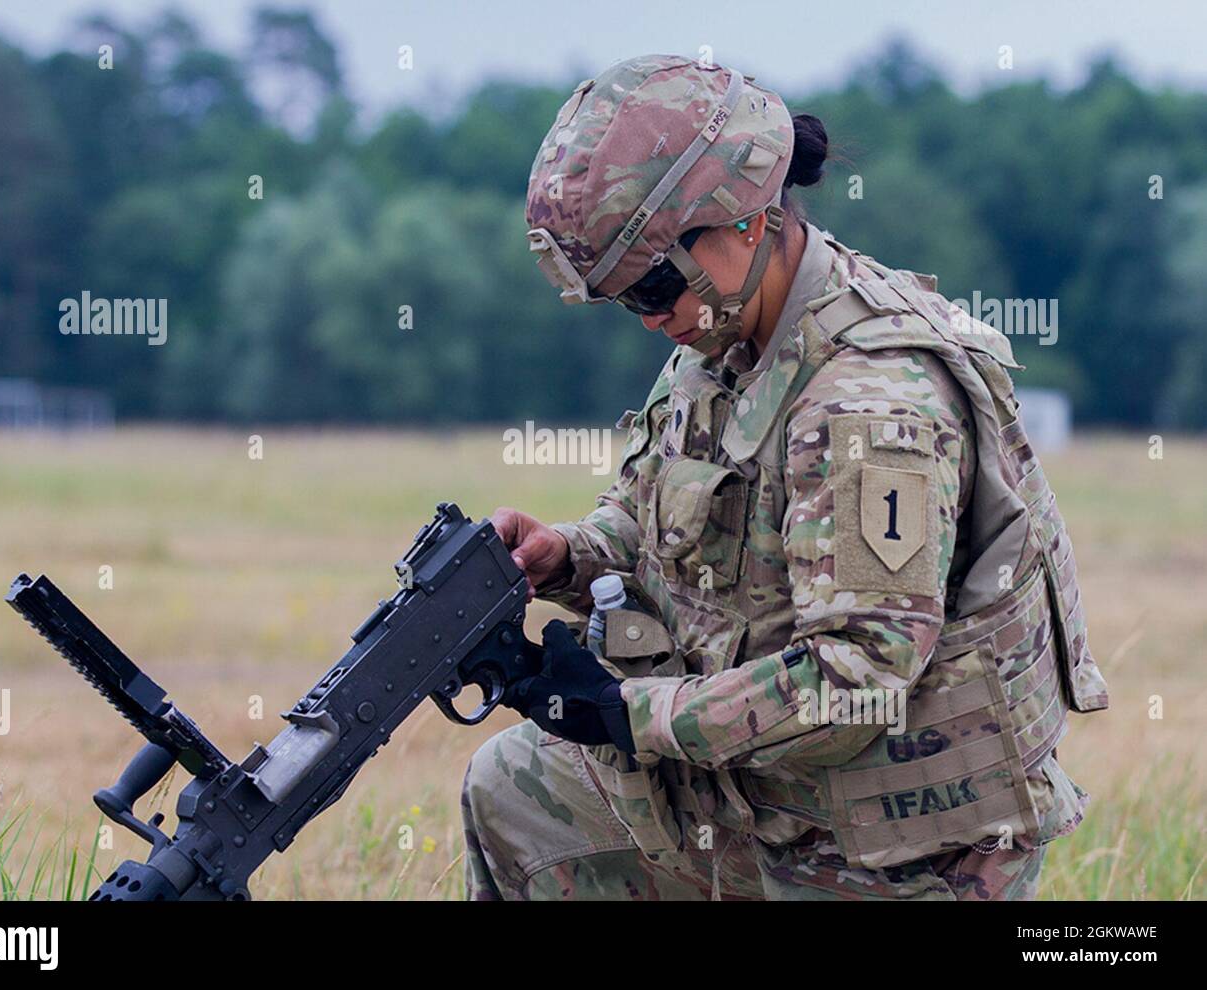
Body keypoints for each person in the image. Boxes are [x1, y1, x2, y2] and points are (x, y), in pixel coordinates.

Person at [461, 54, 1107, 901]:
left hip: (895, 842)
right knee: (513, 787)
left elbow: (860, 676)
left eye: (656, 281)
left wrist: (632, 716)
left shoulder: (871, 403)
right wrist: (568, 559)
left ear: (745, 220)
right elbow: (654, 522)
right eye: (626, 299)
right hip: (765, 789)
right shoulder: (724, 339)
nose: (653, 317)